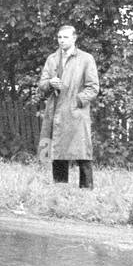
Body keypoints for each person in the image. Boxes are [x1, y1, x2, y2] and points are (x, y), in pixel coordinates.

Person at [38, 24, 99, 189]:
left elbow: (93, 87)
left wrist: (77, 101)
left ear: (74, 38)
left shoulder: (86, 59)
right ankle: (60, 190)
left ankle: (86, 191)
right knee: (58, 151)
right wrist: (50, 83)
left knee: (82, 152)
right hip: (56, 111)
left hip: (76, 114)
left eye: (65, 37)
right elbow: (42, 85)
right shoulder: (52, 59)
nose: (62, 41)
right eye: (59, 37)